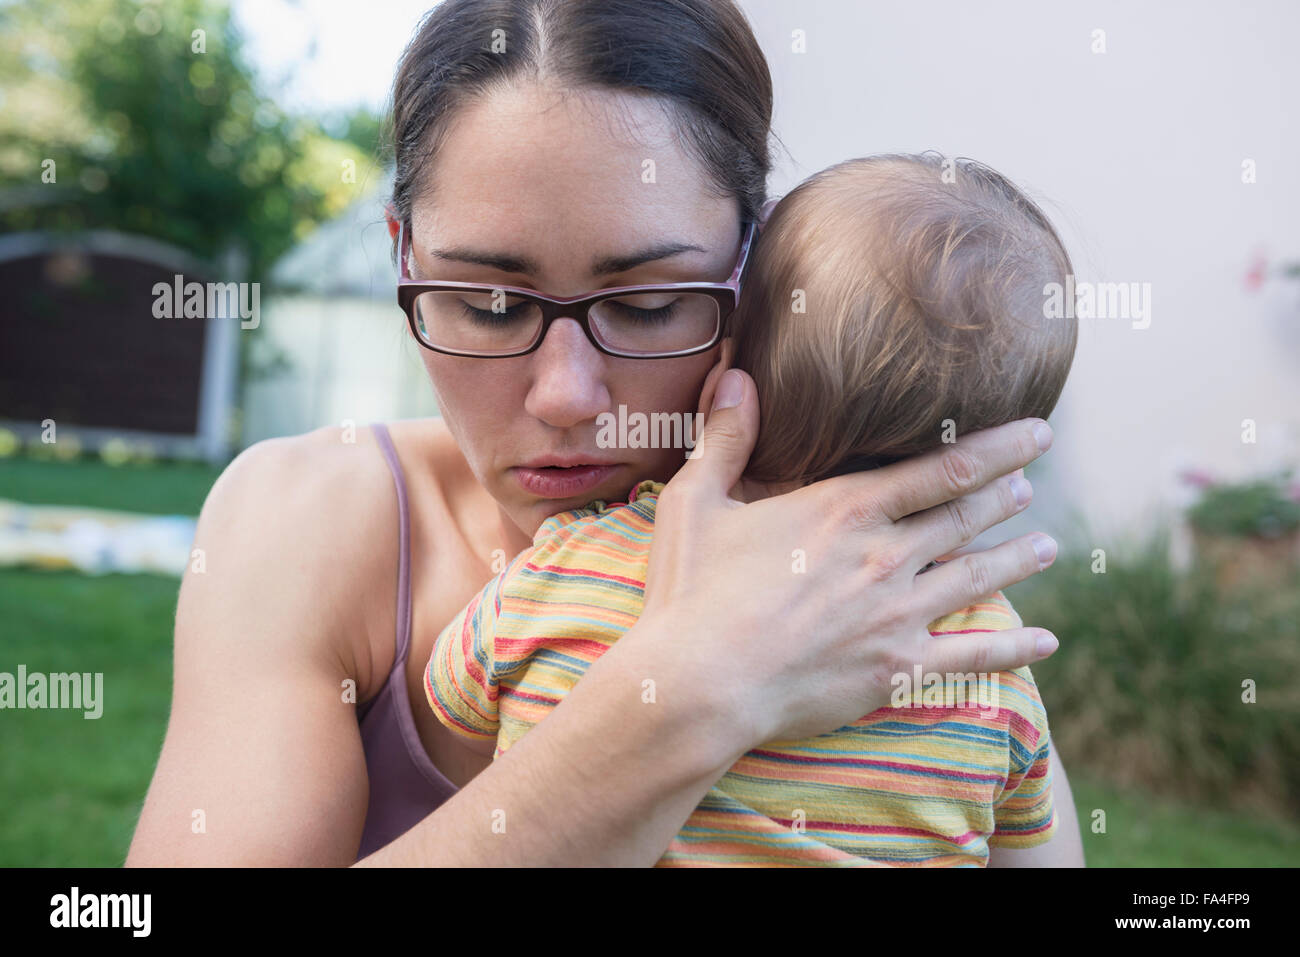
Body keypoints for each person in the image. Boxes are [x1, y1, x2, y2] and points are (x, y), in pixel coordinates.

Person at [126, 0, 1083, 867]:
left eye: (654, 303)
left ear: (757, 272)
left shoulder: (888, 601)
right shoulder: (311, 517)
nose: (566, 396)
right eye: (490, 304)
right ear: (401, 256)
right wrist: (694, 685)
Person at [424, 153, 1077, 865]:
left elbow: (457, 714)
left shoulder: (564, 570)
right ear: (990, 462)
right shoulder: (985, 660)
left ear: (720, 390)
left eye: (645, 304)